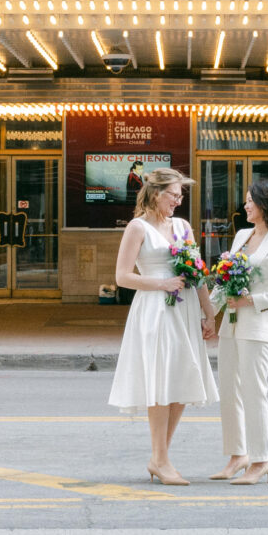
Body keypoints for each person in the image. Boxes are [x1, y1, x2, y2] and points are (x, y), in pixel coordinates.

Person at [107, 166, 217, 485]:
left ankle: (159, 457)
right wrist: (161, 284)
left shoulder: (182, 226)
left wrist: (209, 314)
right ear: (156, 194)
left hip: (184, 309)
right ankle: (161, 459)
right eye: (174, 194)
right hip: (155, 308)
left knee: (182, 378)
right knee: (160, 380)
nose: (178, 201)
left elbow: (196, 272)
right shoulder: (137, 228)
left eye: (181, 195)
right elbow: (122, 276)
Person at [211, 178, 268, 485]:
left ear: (265, 204)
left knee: (253, 392)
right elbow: (225, 281)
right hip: (231, 324)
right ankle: (238, 455)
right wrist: (210, 316)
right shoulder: (241, 235)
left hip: (258, 326)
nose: (245, 205)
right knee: (229, 392)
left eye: (250, 200)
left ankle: (261, 460)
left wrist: (252, 300)